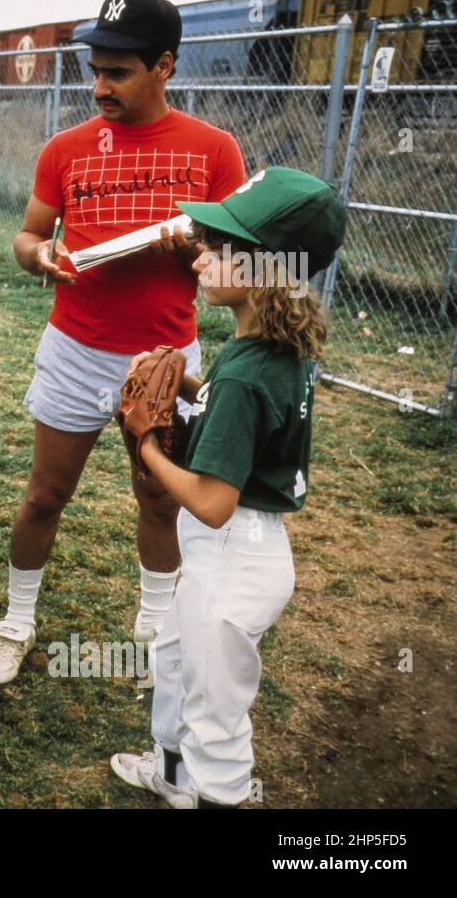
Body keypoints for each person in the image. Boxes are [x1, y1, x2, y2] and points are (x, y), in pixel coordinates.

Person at [0, 0, 248, 686]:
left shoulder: (214, 149)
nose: (100, 87)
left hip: (164, 358)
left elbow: (240, 256)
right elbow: (27, 235)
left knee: (157, 494)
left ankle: (156, 622)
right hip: (76, 345)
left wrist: (199, 242)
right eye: (94, 71)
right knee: (44, 494)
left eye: (119, 73)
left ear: (164, 66)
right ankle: (15, 618)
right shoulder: (65, 149)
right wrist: (39, 256)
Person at [110, 166, 346, 808]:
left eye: (220, 250)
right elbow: (238, 408)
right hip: (237, 554)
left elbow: (212, 503)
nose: (200, 261)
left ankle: (217, 792)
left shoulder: (247, 372)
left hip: (233, 553)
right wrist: (184, 385)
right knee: (173, 664)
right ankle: (172, 775)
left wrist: (149, 444)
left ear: (267, 270)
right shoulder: (266, 346)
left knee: (217, 719)